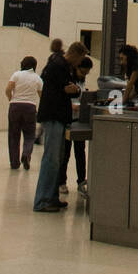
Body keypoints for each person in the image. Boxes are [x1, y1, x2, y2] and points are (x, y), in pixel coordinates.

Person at [33, 41, 86, 212]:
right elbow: (68, 89)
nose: (80, 64)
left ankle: (51, 197)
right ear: (76, 55)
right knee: (52, 159)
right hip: (54, 116)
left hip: (58, 116)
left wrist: (73, 90)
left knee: (57, 159)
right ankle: (42, 200)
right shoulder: (59, 66)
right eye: (80, 59)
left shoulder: (57, 64)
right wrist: (73, 90)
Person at [59, 55, 92, 196]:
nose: (84, 75)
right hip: (68, 120)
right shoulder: (68, 80)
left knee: (80, 153)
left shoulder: (82, 82)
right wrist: (71, 106)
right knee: (65, 153)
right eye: (83, 72)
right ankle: (61, 182)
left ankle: (81, 182)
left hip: (79, 120)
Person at [6, 56, 42, 169]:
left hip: (15, 106)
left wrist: (11, 99)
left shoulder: (16, 74)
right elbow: (42, 96)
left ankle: (14, 163)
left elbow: (8, 89)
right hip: (30, 107)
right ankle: (26, 154)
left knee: (13, 135)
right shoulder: (37, 78)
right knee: (30, 135)